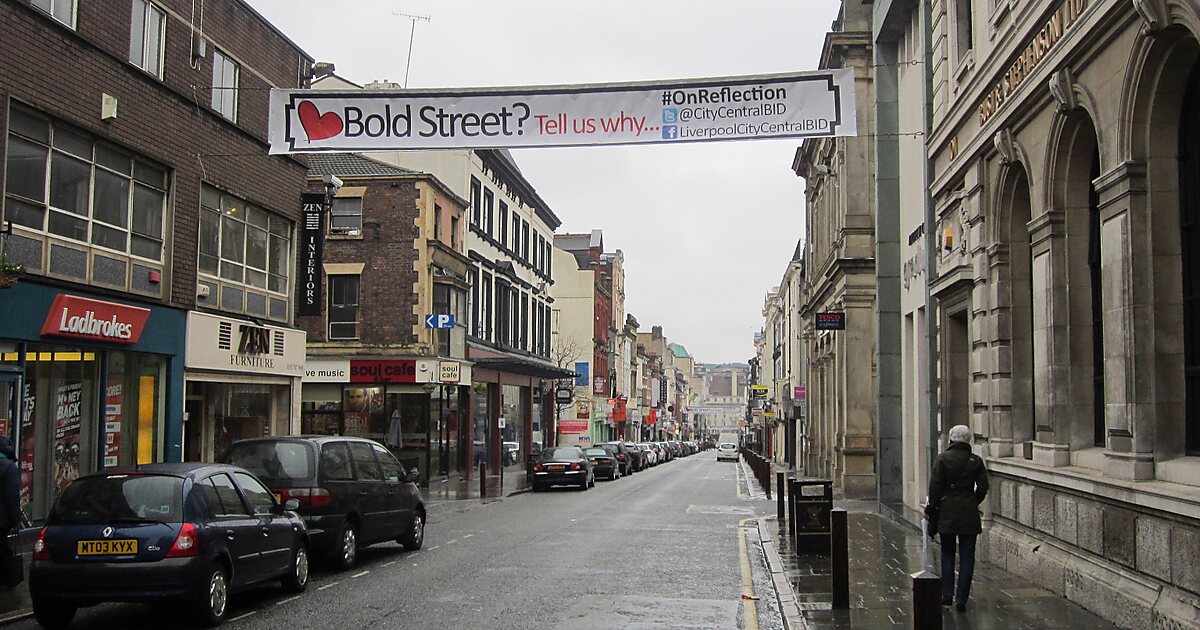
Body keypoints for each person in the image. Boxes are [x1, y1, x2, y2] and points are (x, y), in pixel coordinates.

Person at [924, 424, 989, 612]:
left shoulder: (942, 459)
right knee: (967, 555)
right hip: (969, 512)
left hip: (947, 512)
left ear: (951, 439)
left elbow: (935, 488)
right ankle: (961, 599)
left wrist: (930, 508)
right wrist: (973, 501)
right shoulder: (975, 461)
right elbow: (983, 487)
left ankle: (947, 594)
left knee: (947, 551)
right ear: (968, 440)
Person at [0, 437, 23, 589]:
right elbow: (12, 497)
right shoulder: (9, 468)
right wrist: (16, 520)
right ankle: (6, 579)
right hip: (2, 520)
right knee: (3, 548)